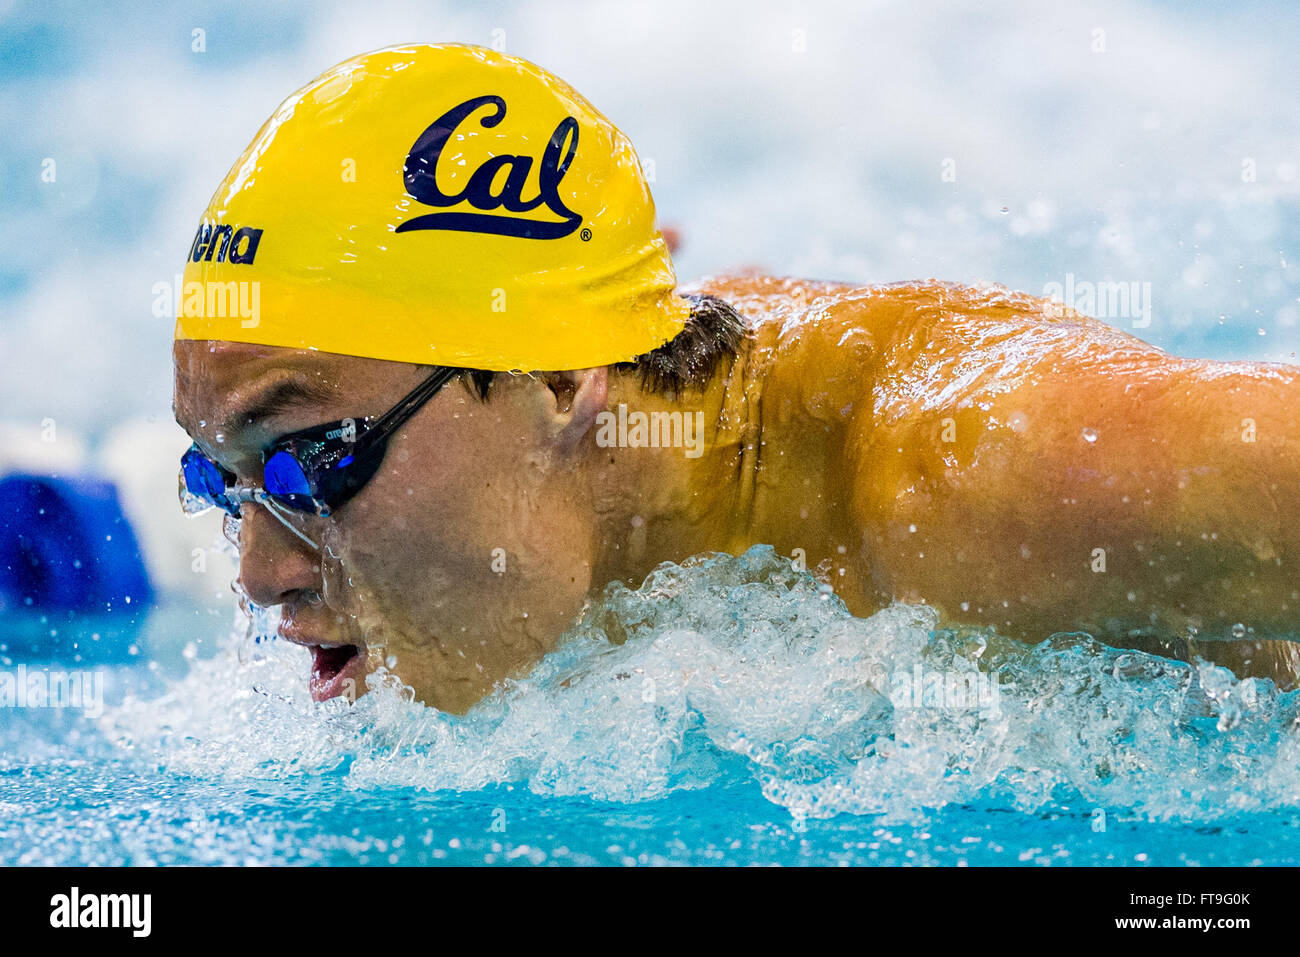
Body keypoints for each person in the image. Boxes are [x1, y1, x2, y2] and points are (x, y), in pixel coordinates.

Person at [174, 43, 1300, 712]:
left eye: (314, 459)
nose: (261, 572)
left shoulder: (988, 471)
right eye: (221, 478)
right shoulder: (566, 483)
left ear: (563, 383)